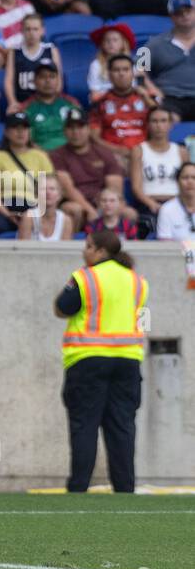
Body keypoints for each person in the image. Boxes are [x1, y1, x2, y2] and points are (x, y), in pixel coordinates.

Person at [53, 230, 148, 493]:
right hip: (128, 361)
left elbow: (62, 307)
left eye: (88, 247)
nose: (84, 251)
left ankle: (79, 488)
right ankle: (125, 490)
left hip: (88, 359)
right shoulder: (138, 281)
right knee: (122, 427)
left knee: (85, 425)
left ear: (101, 252)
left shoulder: (85, 277)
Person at [0, 111, 57, 234]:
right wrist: (7, 214)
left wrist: (35, 213)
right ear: (6, 132)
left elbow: (50, 188)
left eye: (24, 128)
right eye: (15, 128)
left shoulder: (40, 156)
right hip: (5, 207)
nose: (21, 132)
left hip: (34, 207)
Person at [53, 109, 127, 227]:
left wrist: (104, 207)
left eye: (80, 127)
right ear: (65, 131)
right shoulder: (57, 155)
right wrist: (90, 210)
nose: (76, 132)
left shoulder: (104, 153)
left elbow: (115, 187)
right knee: (74, 210)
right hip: (73, 201)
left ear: (88, 129)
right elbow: (67, 189)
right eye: (71, 128)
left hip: (102, 201)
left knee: (129, 213)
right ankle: (71, 245)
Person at [139, 0, 195, 121]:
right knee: (163, 121)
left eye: (188, 11)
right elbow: (137, 70)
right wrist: (152, 89)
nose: (185, 15)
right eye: (179, 13)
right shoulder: (153, 44)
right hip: (170, 98)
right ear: (171, 17)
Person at [129, 105, 185, 230]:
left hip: (177, 203)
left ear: (171, 124)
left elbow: (188, 181)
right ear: (148, 125)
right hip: (148, 204)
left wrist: (175, 206)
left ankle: (189, 251)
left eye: (163, 121)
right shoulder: (139, 150)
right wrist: (153, 205)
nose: (159, 125)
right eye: (154, 121)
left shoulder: (181, 151)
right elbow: (136, 188)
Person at [19, 61, 82, 152]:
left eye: (52, 76)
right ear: (34, 81)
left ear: (58, 80)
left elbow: (82, 134)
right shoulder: (26, 109)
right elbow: (26, 141)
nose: (48, 81)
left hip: (71, 156)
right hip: (41, 158)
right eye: (43, 77)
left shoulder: (71, 103)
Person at [5, 14, 61, 109]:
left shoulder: (51, 50)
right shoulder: (14, 51)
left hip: (46, 102)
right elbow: (8, 81)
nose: (31, 33)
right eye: (28, 29)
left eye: (35, 29)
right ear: (22, 31)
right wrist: (12, 102)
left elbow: (58, 80)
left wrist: (52, 102)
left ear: (42, 31)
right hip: (22, 104)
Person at [87, 22, 140, 105]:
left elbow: (136, 90)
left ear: (123, 43)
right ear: (102, 44)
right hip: (104, 104)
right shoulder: (96, 65)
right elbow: (94, 96)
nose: (111, 43)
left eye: (115, 40)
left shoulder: (131, 64)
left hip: (129, 103)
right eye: (107, 40)